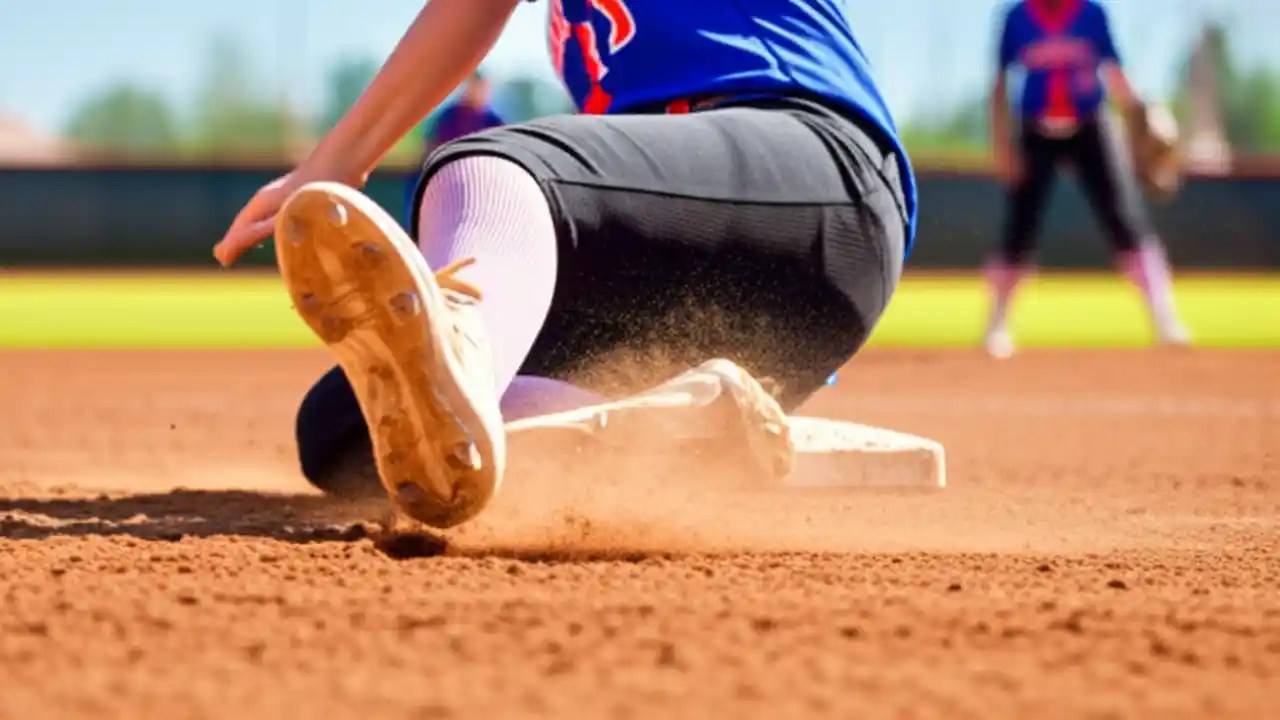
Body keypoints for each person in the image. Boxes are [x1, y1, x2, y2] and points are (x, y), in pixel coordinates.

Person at [212, 0, 916, 528]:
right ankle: (684, 433)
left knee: (486, 169)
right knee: (343, 429)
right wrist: (333, 160)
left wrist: (340, 158)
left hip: (820, 174)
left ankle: (464, 352)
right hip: (694, 281)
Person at [987, 0, 1191, 358]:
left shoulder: (1091, 13)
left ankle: (1165, 318)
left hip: (1090, 125)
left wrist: (1144, 112)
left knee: (1126, 220)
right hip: (1035, 128)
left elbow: (1115, 73)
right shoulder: (1017, 17)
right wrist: (1003, 145)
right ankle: (997, 324)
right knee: (1019, 229)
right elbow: (1000, 84)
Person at [403, 72, 506, 225]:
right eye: (471, 85)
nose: (474, 91)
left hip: (482, 183)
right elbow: (431, 148)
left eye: (480, 87)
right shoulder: (449, 116)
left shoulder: (493, 120)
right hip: (446, 180)